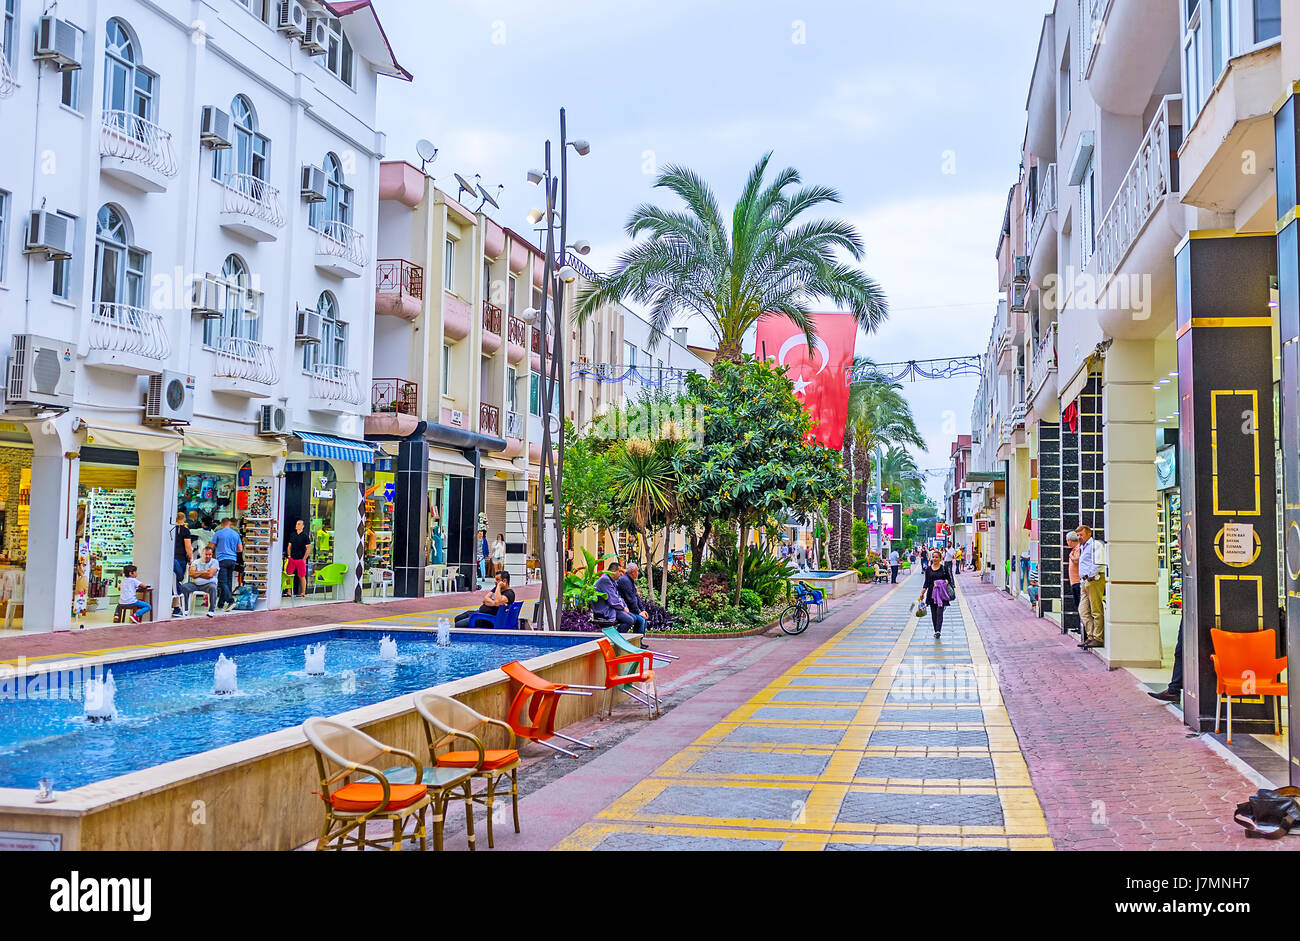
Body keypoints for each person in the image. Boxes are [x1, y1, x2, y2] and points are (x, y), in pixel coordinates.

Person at [1076, 524, 1104, 649]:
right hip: (1084, 582)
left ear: (1089, 534)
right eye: (1078, 535)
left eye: (1081, 534)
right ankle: (1091, 636)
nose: (1079, 537)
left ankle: (1098, 637)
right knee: (1083, 610)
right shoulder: (1083, 547)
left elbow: (1098, 562)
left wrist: (1091, 576)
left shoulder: (1095, 545)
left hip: (1094, 580)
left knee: (1096, 610)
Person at [918, 549, 956, 639]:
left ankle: (938, 630)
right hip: (931, 594)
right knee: (934, 614)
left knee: (939, 612)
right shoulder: (928, 569)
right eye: (933, 557)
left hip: (941, 594)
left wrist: (940, 582)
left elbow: (949, 580)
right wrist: (922, 593)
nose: (935, 559)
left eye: (936, 557)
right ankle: (936, 631)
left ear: (940, 558)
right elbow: (926, 582)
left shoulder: (944, 568)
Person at [593, 560, 637, 629]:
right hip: (604, 611)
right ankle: (616, 638)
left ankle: (619, 636)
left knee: (634, 618)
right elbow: (613, 601)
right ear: (613, 571)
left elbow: (618, 596)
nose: (621, 574)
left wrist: (624, 606)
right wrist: (623, 608)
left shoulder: (612, 581)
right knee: (630, 620)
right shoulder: (605, 580)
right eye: (619, 571)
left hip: (612, 608)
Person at [1149, 617, 1184, 703]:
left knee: (1181, 652)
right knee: (1180, 652)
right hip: (1189, 616)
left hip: (1192, 617)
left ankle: (1174, 690)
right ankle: (1174, 690)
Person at [211, 517, 243, 611]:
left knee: (222, 582)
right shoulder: (235, 534)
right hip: (233, 559)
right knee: (228, 582)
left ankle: (231, 601)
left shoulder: (218, 533)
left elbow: (211, 546)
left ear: (221, 524)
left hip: (222, 559)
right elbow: (240, 549)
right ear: (230, 524)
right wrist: (232, 550)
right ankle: (221, 603)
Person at [179, 545, 219, 617]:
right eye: (206, 554)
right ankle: (185, 609)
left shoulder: (215, 562)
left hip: (208, 584)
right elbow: (191, 574)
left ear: (212, 554)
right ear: (202, 554)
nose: (208, 556)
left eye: (210, 554)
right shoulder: (196, 562)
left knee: (213, 587)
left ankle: (211, 610)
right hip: (195, 584)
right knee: (184, 587)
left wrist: (197, 573)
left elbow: (210, 575)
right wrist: (204, 572)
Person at [616, 561, 650, 633]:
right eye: (637, 571)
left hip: (631, 609)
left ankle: (638, 641)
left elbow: (636, 596)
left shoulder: (630, 580)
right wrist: (639, 612)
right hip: (625, 609)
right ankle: (636, 641)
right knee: (641, 620)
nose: (638, 573)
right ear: (632, 572)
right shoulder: (625, 581)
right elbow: (631, 599)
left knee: (642, 619)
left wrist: (642, 610)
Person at [284, 519, 313, 598]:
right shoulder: (293, 535)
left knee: (301, 576)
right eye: (297, 524)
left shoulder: (305, 536)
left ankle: (303, 592)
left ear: (303, 526)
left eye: (299, 524)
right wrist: (289, 556)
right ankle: (289, 591)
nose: (297, 525)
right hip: (292, 558)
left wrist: (304, 559)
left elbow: (308, 548)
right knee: (289, 574)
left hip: (300, 559)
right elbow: (289, 546)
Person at [171, 511, 192, 617]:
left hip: (170, 558)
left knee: (172, 581)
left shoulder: (171, 529)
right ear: (184, 519)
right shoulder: (185, 530)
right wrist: (190, 558)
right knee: (178, 580)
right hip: (181, 559)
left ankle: (176, 605)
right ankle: (178, 606)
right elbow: (188, 546)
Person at [1065, 532, 1082, 632]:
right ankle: (1079, 626)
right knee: (1077, 604)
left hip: (1078, 581)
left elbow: (1077, 560)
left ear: (1070, 540)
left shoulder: (1078, 549)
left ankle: (1081, 627)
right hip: (1074, 582)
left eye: (1067, 540)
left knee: (1080, 605)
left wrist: (1071, 555)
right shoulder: (1074, 550)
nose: (1067, 543)